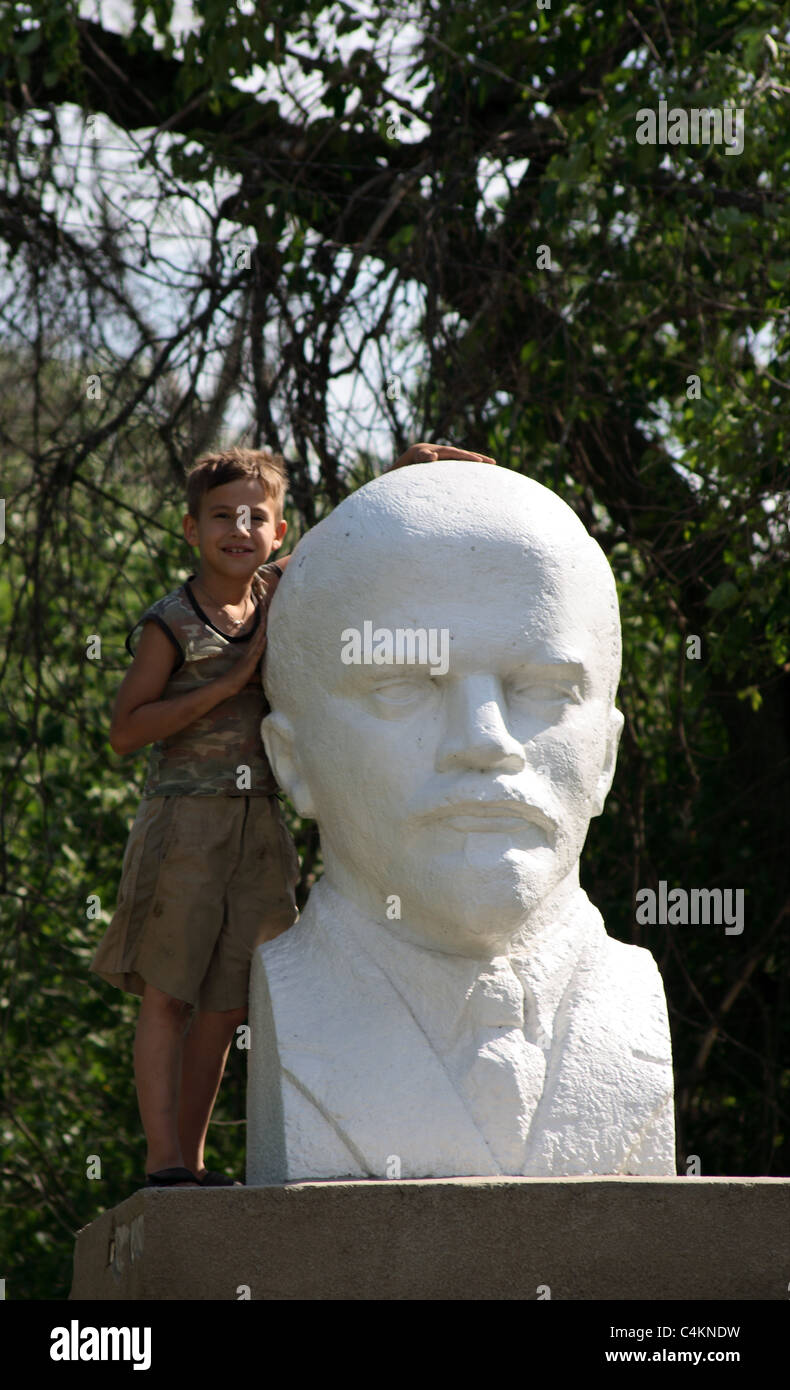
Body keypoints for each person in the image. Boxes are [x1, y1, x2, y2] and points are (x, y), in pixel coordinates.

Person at [246, 462, 676, 1182]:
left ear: (605, 754)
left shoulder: (633, 1005)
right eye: (403, 687)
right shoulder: (292, 1005)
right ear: (292, 761)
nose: (484, 739)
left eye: (540, 689)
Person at [90, 441, 495, 1190]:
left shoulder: (279, 591)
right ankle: (161, 1162)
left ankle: (195, 1161)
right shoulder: (172, 622)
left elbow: (340, 533)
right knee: (169, 995)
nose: (238, 530)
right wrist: (232, 680)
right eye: (220, 517)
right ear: (190, 529)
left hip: (260, 823)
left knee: (226, 1003)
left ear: (276, 532)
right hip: (186, 823)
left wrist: (406, 468)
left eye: (256, 517)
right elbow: (125, 730)